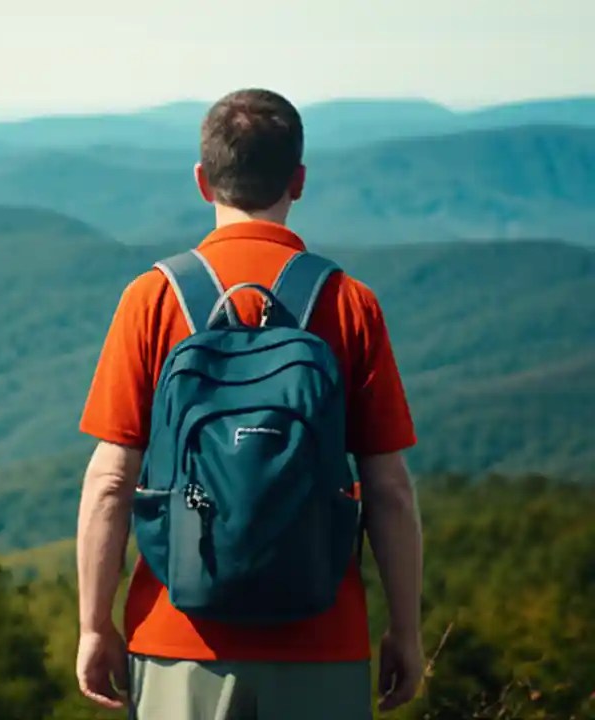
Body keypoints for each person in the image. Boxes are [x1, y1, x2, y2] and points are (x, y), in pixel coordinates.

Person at [74, 89, 425, 719]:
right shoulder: (350, 304)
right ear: (299, 180)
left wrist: (94, 624)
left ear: (203, 182)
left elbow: (109, 484)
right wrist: (406, 628)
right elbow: (390, 490)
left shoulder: (152, 299)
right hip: (323, 637)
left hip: (179, 636)